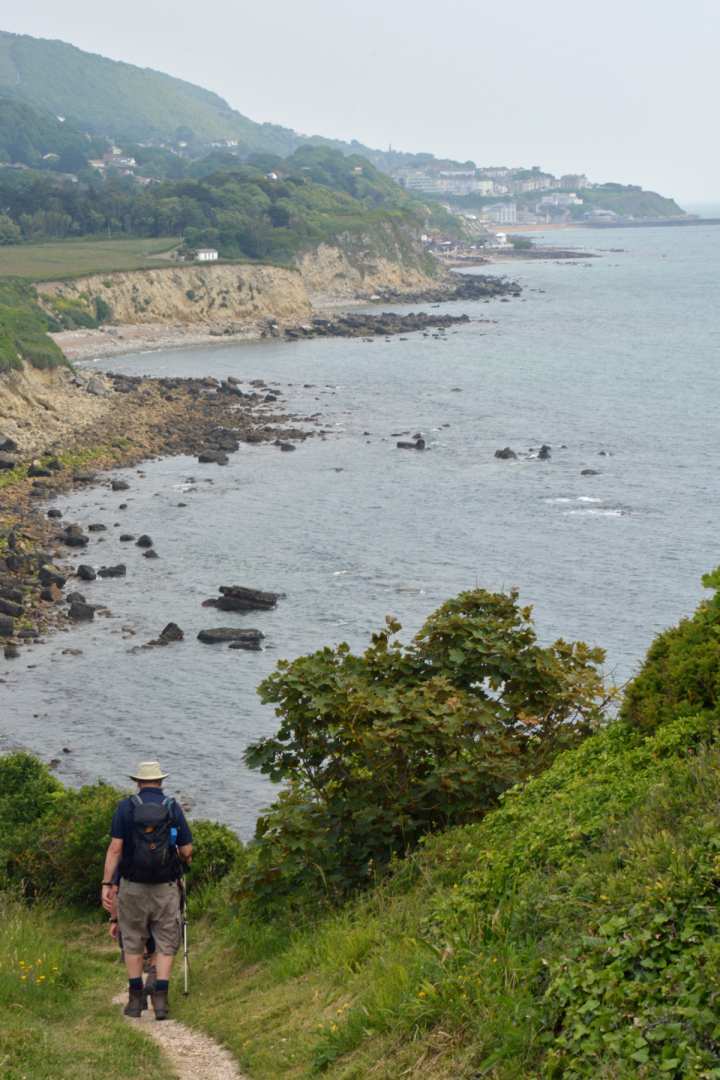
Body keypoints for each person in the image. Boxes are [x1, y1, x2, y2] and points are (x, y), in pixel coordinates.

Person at [101, 761, 192, 1020]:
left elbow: (115, 849)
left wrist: (107, 884)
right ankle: (161, 1002)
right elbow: (187, 850)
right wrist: (182, 860)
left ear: (138, 782)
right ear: (161, 782)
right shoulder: (172, 807)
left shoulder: (125, 808)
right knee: (165, 941)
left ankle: (134, 1000)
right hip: (165, 887)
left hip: (131, 887)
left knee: (132, 940)